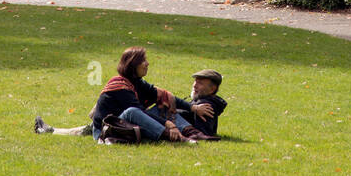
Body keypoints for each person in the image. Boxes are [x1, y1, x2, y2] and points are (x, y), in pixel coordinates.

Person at [33, 54, 225, 142]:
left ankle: (50, 131)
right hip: (108, 126)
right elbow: (138, 112)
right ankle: (49, 131)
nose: (148, 64)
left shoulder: (137, 83)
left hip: (120, 122)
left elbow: (164, 95)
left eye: (201, 82)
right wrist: (169, 125)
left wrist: (193, 108)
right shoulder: (121, 85)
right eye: (144, 62)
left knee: (163, 104)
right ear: (134, 66)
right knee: (132, 113)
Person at [174, 69, 226, 139]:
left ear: (212, 89)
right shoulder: (200, 101)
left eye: (200, 83)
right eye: (195, 81)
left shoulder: (205, 105)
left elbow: (204, 133)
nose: (195, 85)